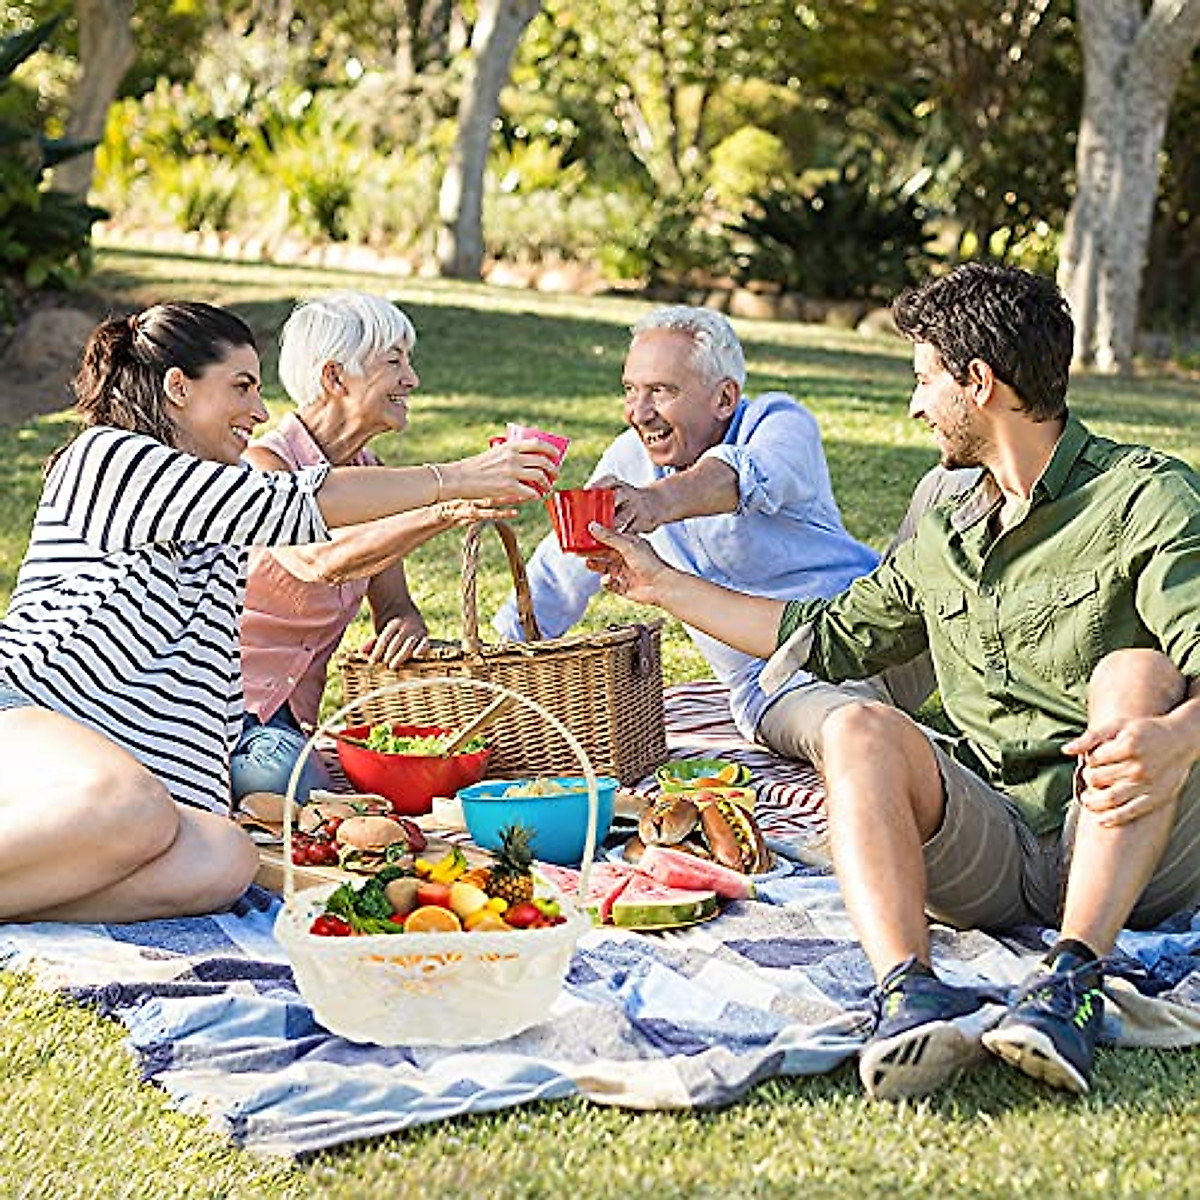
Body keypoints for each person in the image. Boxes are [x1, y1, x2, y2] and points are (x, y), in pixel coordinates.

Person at [584, 264, 1199, 1101]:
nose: (914, 406)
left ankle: (1071, 983)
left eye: (923, 381)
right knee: (855, 727)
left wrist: (1178, 737)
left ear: (978, 383)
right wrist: (657, 582)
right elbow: (825, 634)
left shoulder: (1144, 498)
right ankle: (910, 995)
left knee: (1137, 673)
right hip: (1000, 846)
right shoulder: (949, 526)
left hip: (1138, 846)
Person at [0, 302, 557, 923]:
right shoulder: (108, 458)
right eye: (241, 387)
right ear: (178, 388)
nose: (260, 411)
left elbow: (210, 693)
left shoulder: (217, 521)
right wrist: (457, 479)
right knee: (133, 804)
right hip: (26, 717)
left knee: (224, 857)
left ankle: (26, 894)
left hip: (126, 782)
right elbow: (292, 504)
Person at [494, 305, 936, 766]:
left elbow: (744, 476)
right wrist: (501, 655)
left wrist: (655, 502)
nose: (638, 413)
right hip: (783, 685)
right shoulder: (629, 460)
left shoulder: (778, 422)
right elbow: (561, 566)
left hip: (881, 632)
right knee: (859, 734)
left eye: (661, 391)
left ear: (724, 398)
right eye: (630, 390)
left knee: (947, 486)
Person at [232, 292, 511, 807]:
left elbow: (395, 605)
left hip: (293, 720)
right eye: (394, 362)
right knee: (289, 786)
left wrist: (405, 626)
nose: (412, 379)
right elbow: (319, 560)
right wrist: (447, 505)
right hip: (230, 710)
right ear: (335, 378)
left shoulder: (371, 474)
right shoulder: (263, 466)